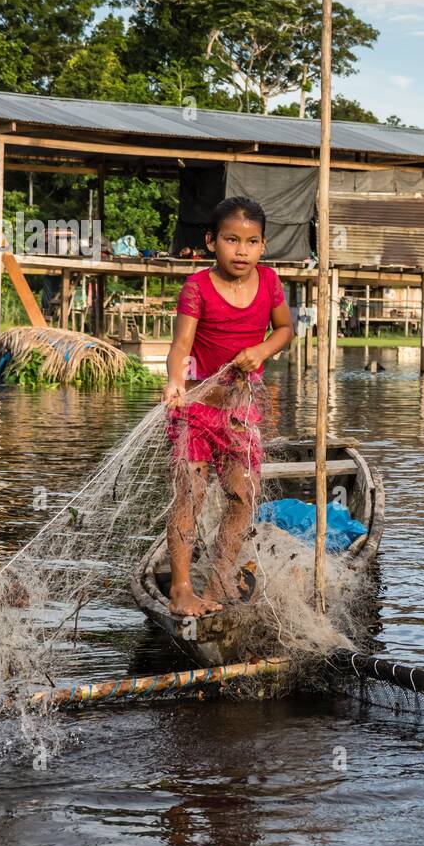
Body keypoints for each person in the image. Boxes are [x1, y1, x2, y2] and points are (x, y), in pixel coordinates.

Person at [163, 196, 294, 617]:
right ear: (211, 241)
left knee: (241, 496)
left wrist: (261, 350)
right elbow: (181, 346)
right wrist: (175, 381)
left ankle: (219, 577)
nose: (241, 250)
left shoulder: (269, 282)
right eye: (231, 240)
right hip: (197, 409)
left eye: (252, 242)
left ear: (263, 244)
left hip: (240, 413)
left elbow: (285, 329)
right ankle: (181, 588)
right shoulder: (197, 288)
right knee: (191, 495)